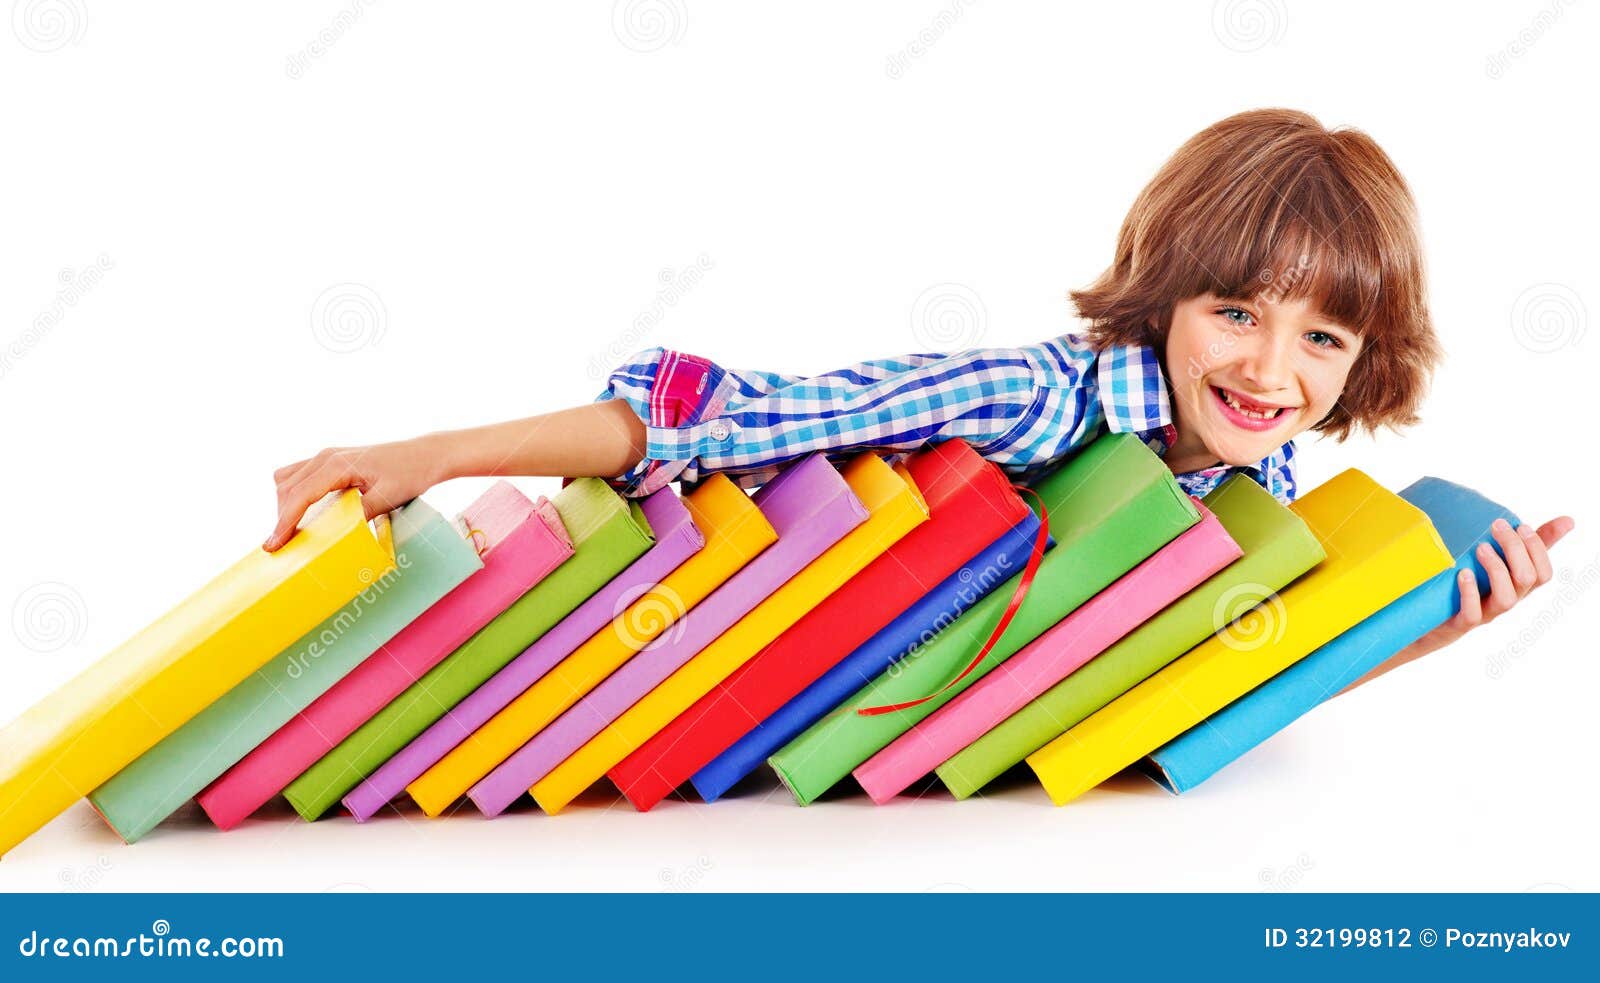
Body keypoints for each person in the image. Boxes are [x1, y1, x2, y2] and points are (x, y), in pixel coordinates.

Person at [262, 108, 1572, 685]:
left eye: (1325, 337)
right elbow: (724, 413)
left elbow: (1212, 685)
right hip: (659, 644)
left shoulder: (1259, 478)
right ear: (1166, 298)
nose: (1271, 371)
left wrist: (1425, 635)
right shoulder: (1029, 401)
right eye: (1236, 310)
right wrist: (424, 454)